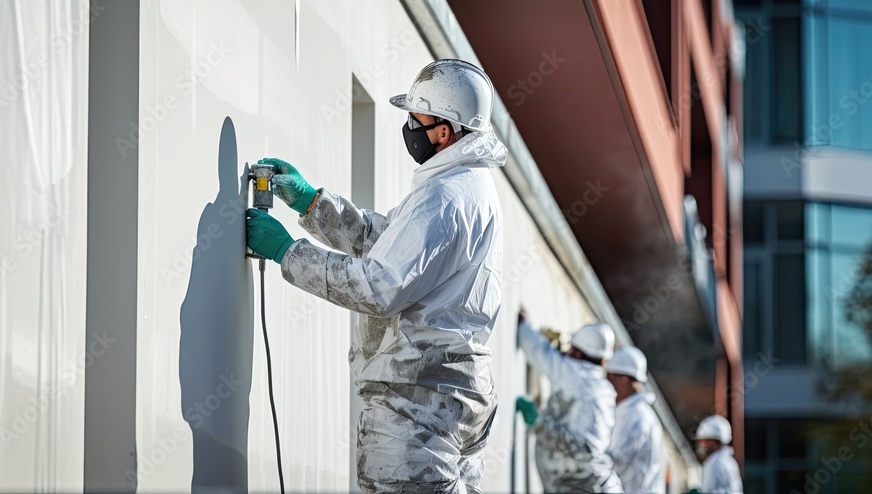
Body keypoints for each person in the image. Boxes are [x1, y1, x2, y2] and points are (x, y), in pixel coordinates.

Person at [245, 59, 508, 493]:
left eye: (416, 119)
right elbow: (392, 243)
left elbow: (379, 286)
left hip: (417, 403)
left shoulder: (444, 197)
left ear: (444, 132)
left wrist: (288, 252)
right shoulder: (466, 184)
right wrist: (314, 205)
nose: (408, 126)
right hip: (454, 399)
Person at [515, 311, 624, 493]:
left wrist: (525, 325)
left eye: (571, 348)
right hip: (601, 485)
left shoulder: (574, 373)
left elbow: (539, 353)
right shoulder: (603, 388)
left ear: (579, 354)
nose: (567, 353)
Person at [606, 346, 665, 494]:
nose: (606, 384)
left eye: (610, 378)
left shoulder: (637, 416)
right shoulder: (630, 412)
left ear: (624, 379)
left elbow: (617, 462)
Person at [694, 415, 743, 494]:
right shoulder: (728, 461)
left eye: (704, 441)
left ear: (716, 443)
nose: (701, 445)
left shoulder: (715, 462)